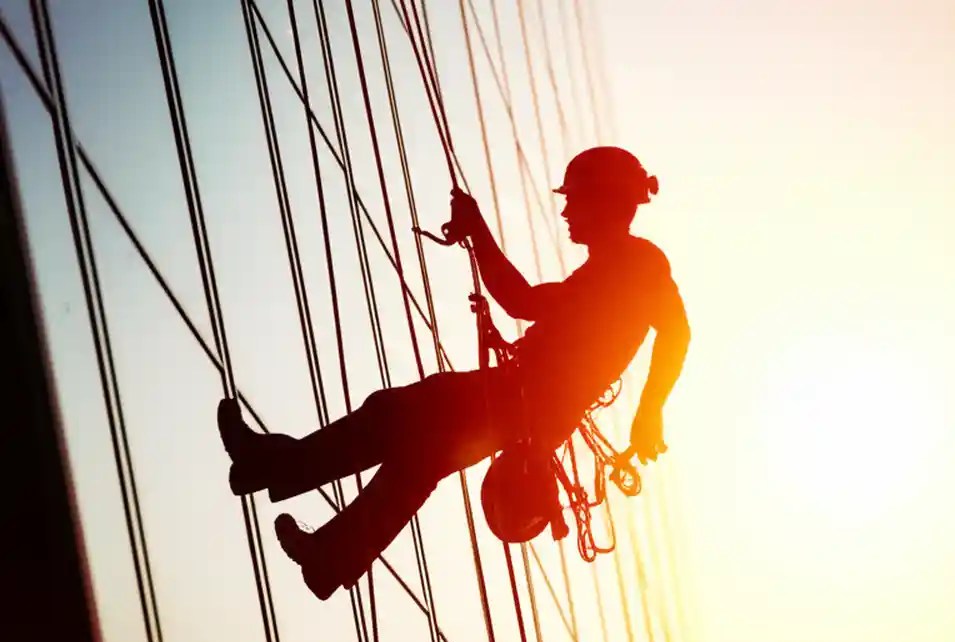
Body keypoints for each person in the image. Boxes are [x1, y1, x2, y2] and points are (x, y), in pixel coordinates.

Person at [216, 146, 691, 600]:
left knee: (395, 417)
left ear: (602, 201)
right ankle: (327, 554)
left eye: (574, 201)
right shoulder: (613, 268)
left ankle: (276, 473)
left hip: (522, 400)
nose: (565, 213)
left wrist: (650, 412)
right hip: (527, 406)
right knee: (418, 458)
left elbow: (526, 301)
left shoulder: (635, 265)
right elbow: (550, 312)